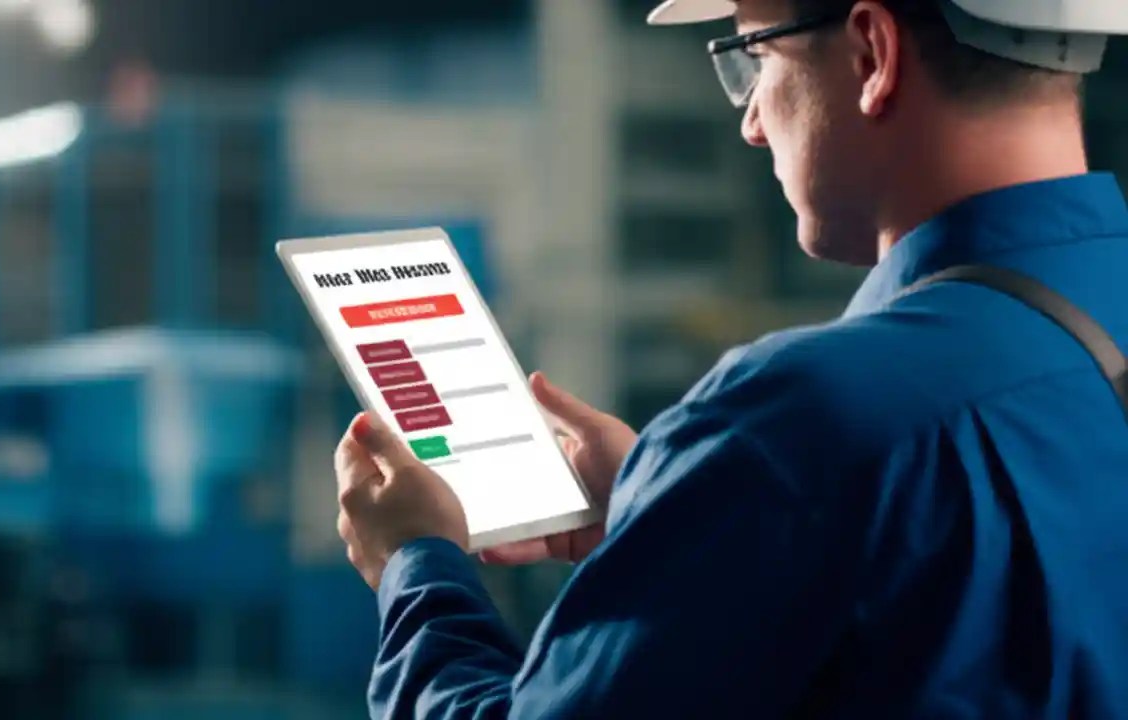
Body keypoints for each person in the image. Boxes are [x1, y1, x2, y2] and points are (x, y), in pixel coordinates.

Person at [332, 0, 1128, 716]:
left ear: (871, 54)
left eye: (754, 56)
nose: (750, 122)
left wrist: (416, 563)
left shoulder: (799, 424)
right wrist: (683, 502)